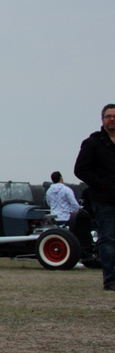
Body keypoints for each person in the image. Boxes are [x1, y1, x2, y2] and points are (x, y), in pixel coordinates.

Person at [74, 104, 115, 291]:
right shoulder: (93, 143)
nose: (112, 119)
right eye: (108, 116)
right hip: (104, 199)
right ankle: (110, 279)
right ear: (102, 120)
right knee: (108, 238)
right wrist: (103, 184)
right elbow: (81, 170)